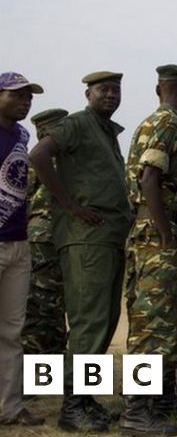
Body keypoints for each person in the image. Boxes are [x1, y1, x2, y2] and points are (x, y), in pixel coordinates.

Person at [30, 71, 133, 432]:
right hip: (85, 237)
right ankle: (72, 408)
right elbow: (39, 155)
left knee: (103, 321)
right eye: (103, 89)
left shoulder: (106, 132)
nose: (110, 95)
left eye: (116, 90)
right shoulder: (78, 124)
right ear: (88, 93)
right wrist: (70, 205)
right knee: (89, 321)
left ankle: (86, 400)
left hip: (107, 237)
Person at [120, 64, 177, 436]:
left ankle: (163, 399)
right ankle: (136, 412)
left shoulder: (150, 122)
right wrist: (165, 230)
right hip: (155, 238)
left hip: (153, 228)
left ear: (158, 89)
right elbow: (148, 178)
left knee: (173, 322)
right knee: (153, 326)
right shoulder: (167, 122)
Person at [0, 72, 44, 428]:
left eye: (29, 96)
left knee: (12, 330)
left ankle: (9, 407)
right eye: (17, 96)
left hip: (18, 242)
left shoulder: (23, 135)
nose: (25, 102)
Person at [22, 108, 68, 358]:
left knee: (50, 304)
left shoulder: (62, 159)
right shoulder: (40, 160)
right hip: (44, 239)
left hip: (53, 236)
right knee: (43, 305)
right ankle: (39, 372)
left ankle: (50, 363)